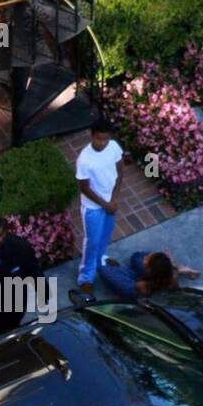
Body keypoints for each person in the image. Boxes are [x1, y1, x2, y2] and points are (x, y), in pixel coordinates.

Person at [75, 119, 125, 294]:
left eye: (105, 139)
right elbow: (84, 188)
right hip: (93, 207)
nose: (102, 143)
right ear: (92, 136)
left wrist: (115, 198)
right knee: (92, 241)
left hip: (110, 202)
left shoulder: (114, 148)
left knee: (105, 235)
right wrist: (105, 204)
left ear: (110, 137)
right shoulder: (84, 159)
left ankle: (101, 260)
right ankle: (86, 276)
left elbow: (120, 173)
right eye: (98, 139)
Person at [97, 250, 200, 301]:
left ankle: (117, 270)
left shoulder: (142, 288)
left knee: (103, 269)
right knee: (136, 257)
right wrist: (171, 264)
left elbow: (140, 290)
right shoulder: (169, 276)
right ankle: (175, 266)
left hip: (133, 289)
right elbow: (173, 282)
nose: (145, 258)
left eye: (147, 259)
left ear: (149, 270)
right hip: (149, 279)